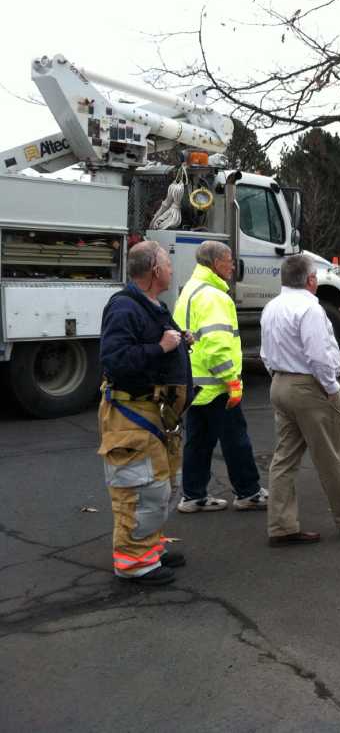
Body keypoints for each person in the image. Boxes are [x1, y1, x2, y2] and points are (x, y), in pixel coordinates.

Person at [260, 254, 340, 545]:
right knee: (330, 456)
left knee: (284, 458)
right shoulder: (310, 309)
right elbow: (319, 355)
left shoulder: (271, 307)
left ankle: (281, 525)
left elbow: (265, 352)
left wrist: (278, 376)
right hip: (309, 387)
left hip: (280, 382)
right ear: (310, 280)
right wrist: (331, 387)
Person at [98, 241, 192, 586]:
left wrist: (179, 342)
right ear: (154, 270)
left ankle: (149, 549)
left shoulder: (152, 306)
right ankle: (134, 564)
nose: (171, 269)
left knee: (158, 488)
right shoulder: (124, 308)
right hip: (132, 415)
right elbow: (115, 360)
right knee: (137, 490)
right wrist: (161, 348)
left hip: (155, 416)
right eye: (167, 263)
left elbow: (156, 344)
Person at [173, 240, 268, 513]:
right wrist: (232, 381)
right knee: (235, 439)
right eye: (229, 261)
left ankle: (193, 495)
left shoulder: (190, 289)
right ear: (216, 263)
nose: (233, 266)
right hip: (217, 385)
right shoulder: (214, 296)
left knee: (198, 441)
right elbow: (217, 347)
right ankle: (248, 492)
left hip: (195, 382)